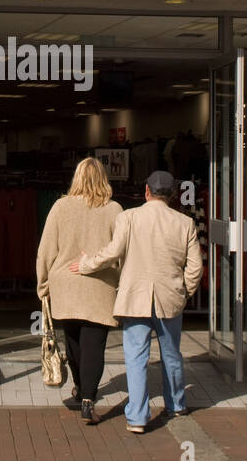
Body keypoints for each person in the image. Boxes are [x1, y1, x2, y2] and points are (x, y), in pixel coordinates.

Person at [71, 170, 201, 433]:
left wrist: (87, 264)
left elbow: (112, 253)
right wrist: (184, 292)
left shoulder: (128, 217)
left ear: (146, 191)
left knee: (135, 356)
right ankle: (176, 404)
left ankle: (138, 417)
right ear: (173, 195)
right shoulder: (184, 223)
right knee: (172, 354)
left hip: (135, 298)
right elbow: (195, 268)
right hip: (170, 299)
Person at [36, 157, 122, 425]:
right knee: (94, 345)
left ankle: (78, 388)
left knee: (73, 344)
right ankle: (88, 399)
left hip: (66, 286)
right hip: (100, 287)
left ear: (76, 178)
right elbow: (120, 251)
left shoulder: (60, 207)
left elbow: (46, 250)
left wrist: (43, 284)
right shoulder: (114, 210)